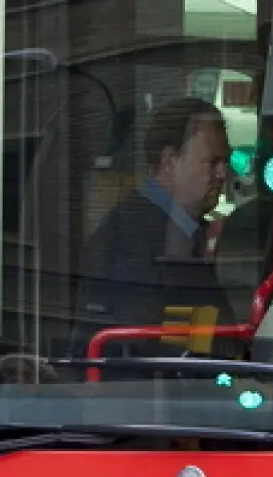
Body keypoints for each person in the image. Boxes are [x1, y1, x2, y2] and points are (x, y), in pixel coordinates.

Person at [75, 97, 237, 356]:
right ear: (171, 161)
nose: (222, 173)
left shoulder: (178, 230)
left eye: (225, 161)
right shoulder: (135, 236)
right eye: (213, 161)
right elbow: (144, 340)